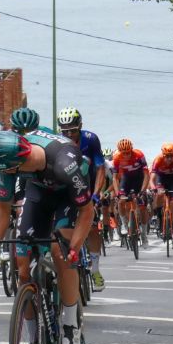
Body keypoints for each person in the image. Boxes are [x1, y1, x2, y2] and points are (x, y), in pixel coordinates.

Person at [0, 128, 94, 344]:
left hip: (68, 195)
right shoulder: (11, 161)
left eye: (7, 171)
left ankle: (71, 325)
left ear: (16, 164)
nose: (5, 174)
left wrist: (74, 248)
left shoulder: (66, 164)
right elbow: (3, 206)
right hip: (38, 191)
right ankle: (33, 342)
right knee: (23, 270)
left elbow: (86, 211)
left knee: (60, 252)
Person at [58, 107, 107, 290]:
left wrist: (96, 194)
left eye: (73, 130)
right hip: (68, 185)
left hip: (89, 183)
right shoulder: (58, 141)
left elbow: (100, 168)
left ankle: (95, 269)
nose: (69, 134)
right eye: (65, 131)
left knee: (93, 228)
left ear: (80, 126)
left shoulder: (91, 139)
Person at [112, 138, 149, 245]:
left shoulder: (139, 155)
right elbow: (115, 178)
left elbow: (146, 174)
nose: (126, 155)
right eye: (124, 153)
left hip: (139, 179)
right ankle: (124, 225)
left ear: (131, 149)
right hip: (126, 179)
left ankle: (144, 235)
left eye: (128, 152)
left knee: (142, 208)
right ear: (120, 152)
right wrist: (118, 193)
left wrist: (143, 191)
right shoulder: (116, 158)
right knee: (121, 201)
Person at [150, 142, 173, 247]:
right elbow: (152, 179)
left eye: (171, 156)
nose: (170, 158)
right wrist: (153, 188)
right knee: (159, 194)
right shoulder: (157, 160)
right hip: (161, 179)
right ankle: (158, 217)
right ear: (163, 155)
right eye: (167, 156)